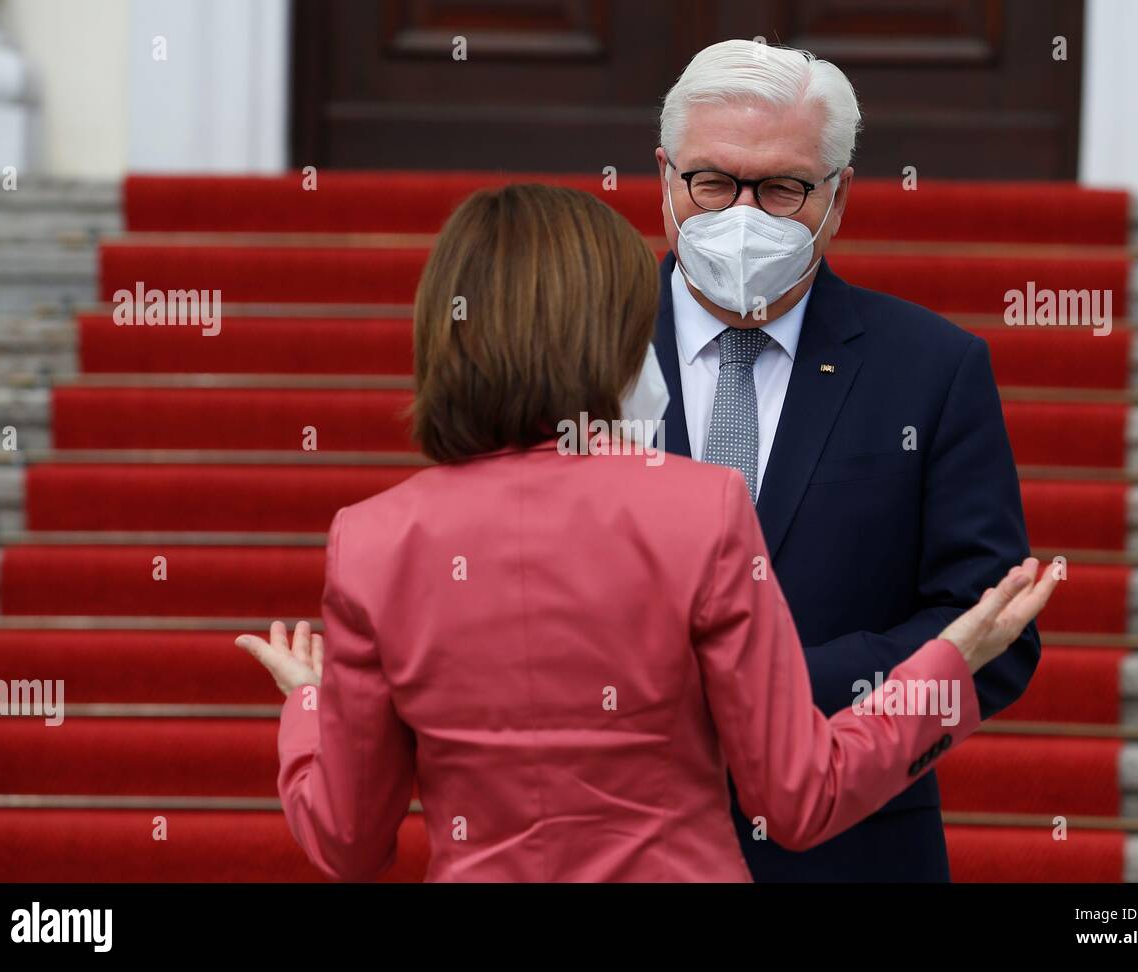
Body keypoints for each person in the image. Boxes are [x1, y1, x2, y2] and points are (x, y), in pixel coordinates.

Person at [237, 183, 1058, 882]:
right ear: (611, 333)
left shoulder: (373, 539)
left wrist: (310, 705)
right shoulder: (701, 509)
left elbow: (347, 839)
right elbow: (801, 795)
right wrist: (947, 668)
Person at [651, 39, 1043, 882]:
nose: (744, 214)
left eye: (783, 187)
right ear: (664, 178)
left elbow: (992, 629)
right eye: (713, 182)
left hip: (854, 848)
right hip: (627, 838)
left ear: (839, 198)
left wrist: (775, 681)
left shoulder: (931, 369)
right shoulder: (582, 352)